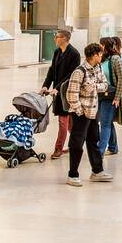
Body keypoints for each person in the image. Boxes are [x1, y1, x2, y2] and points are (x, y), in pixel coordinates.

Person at [64, 42, 112, 186]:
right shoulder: (79, 72)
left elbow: (105, 85)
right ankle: (72, 175)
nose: (102, 56)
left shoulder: (98, 68)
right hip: (81, 114)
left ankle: (97, 171)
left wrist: (94, 87)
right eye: (100, 54)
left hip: (93, 112)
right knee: (77, 144)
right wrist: (80, 112)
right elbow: (71, 95)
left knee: (93, 141)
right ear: (94, 55)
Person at [42, 29, 81, 160]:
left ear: (65, 38)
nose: (55, 39)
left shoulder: (74, 54)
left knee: (63, 121)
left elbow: (71, 75)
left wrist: (57, 88)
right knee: (69, 123)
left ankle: (58, 148)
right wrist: (45, 85)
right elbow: (52, 70)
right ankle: (77, 143)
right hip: (57, 91)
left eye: (57, 37)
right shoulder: (57, 51)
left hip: (67, 92)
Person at [97, 36, 122, 157]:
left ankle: (100, 150)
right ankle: (113, 147)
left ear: (105, 46)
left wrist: (117, 98)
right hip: (100, 95)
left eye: (101, 44)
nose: (99, 47)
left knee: (104, 123)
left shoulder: (115, 59)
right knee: (107, 121)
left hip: (111, 96)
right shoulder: (101, 59)